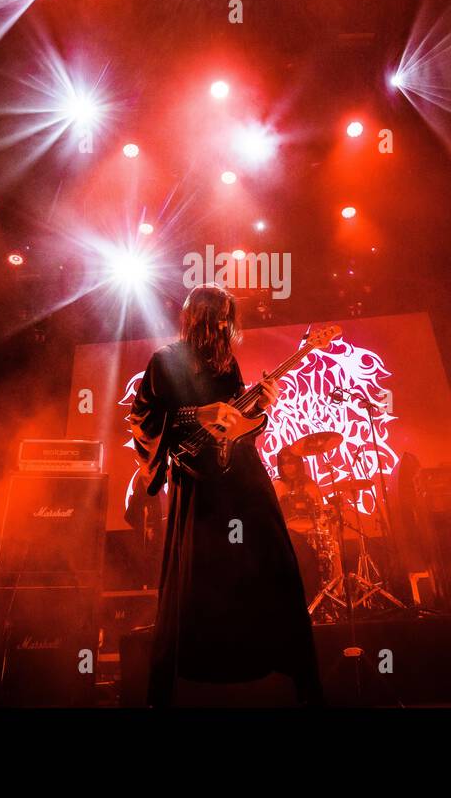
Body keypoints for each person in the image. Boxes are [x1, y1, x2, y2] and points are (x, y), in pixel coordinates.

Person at [128, 285, 323, 706]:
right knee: (200, 572)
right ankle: (194, 678)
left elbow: (237, 427)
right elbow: (144, 417)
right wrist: (195, 413)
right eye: (217, 316)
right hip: (197, 481)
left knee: (275, 560)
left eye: (228, 317)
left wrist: (260, 410)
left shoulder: (227, 363)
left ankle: (291, 672)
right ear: (196, 316)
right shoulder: (165, 360)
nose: (224, 325)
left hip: (243, 476)